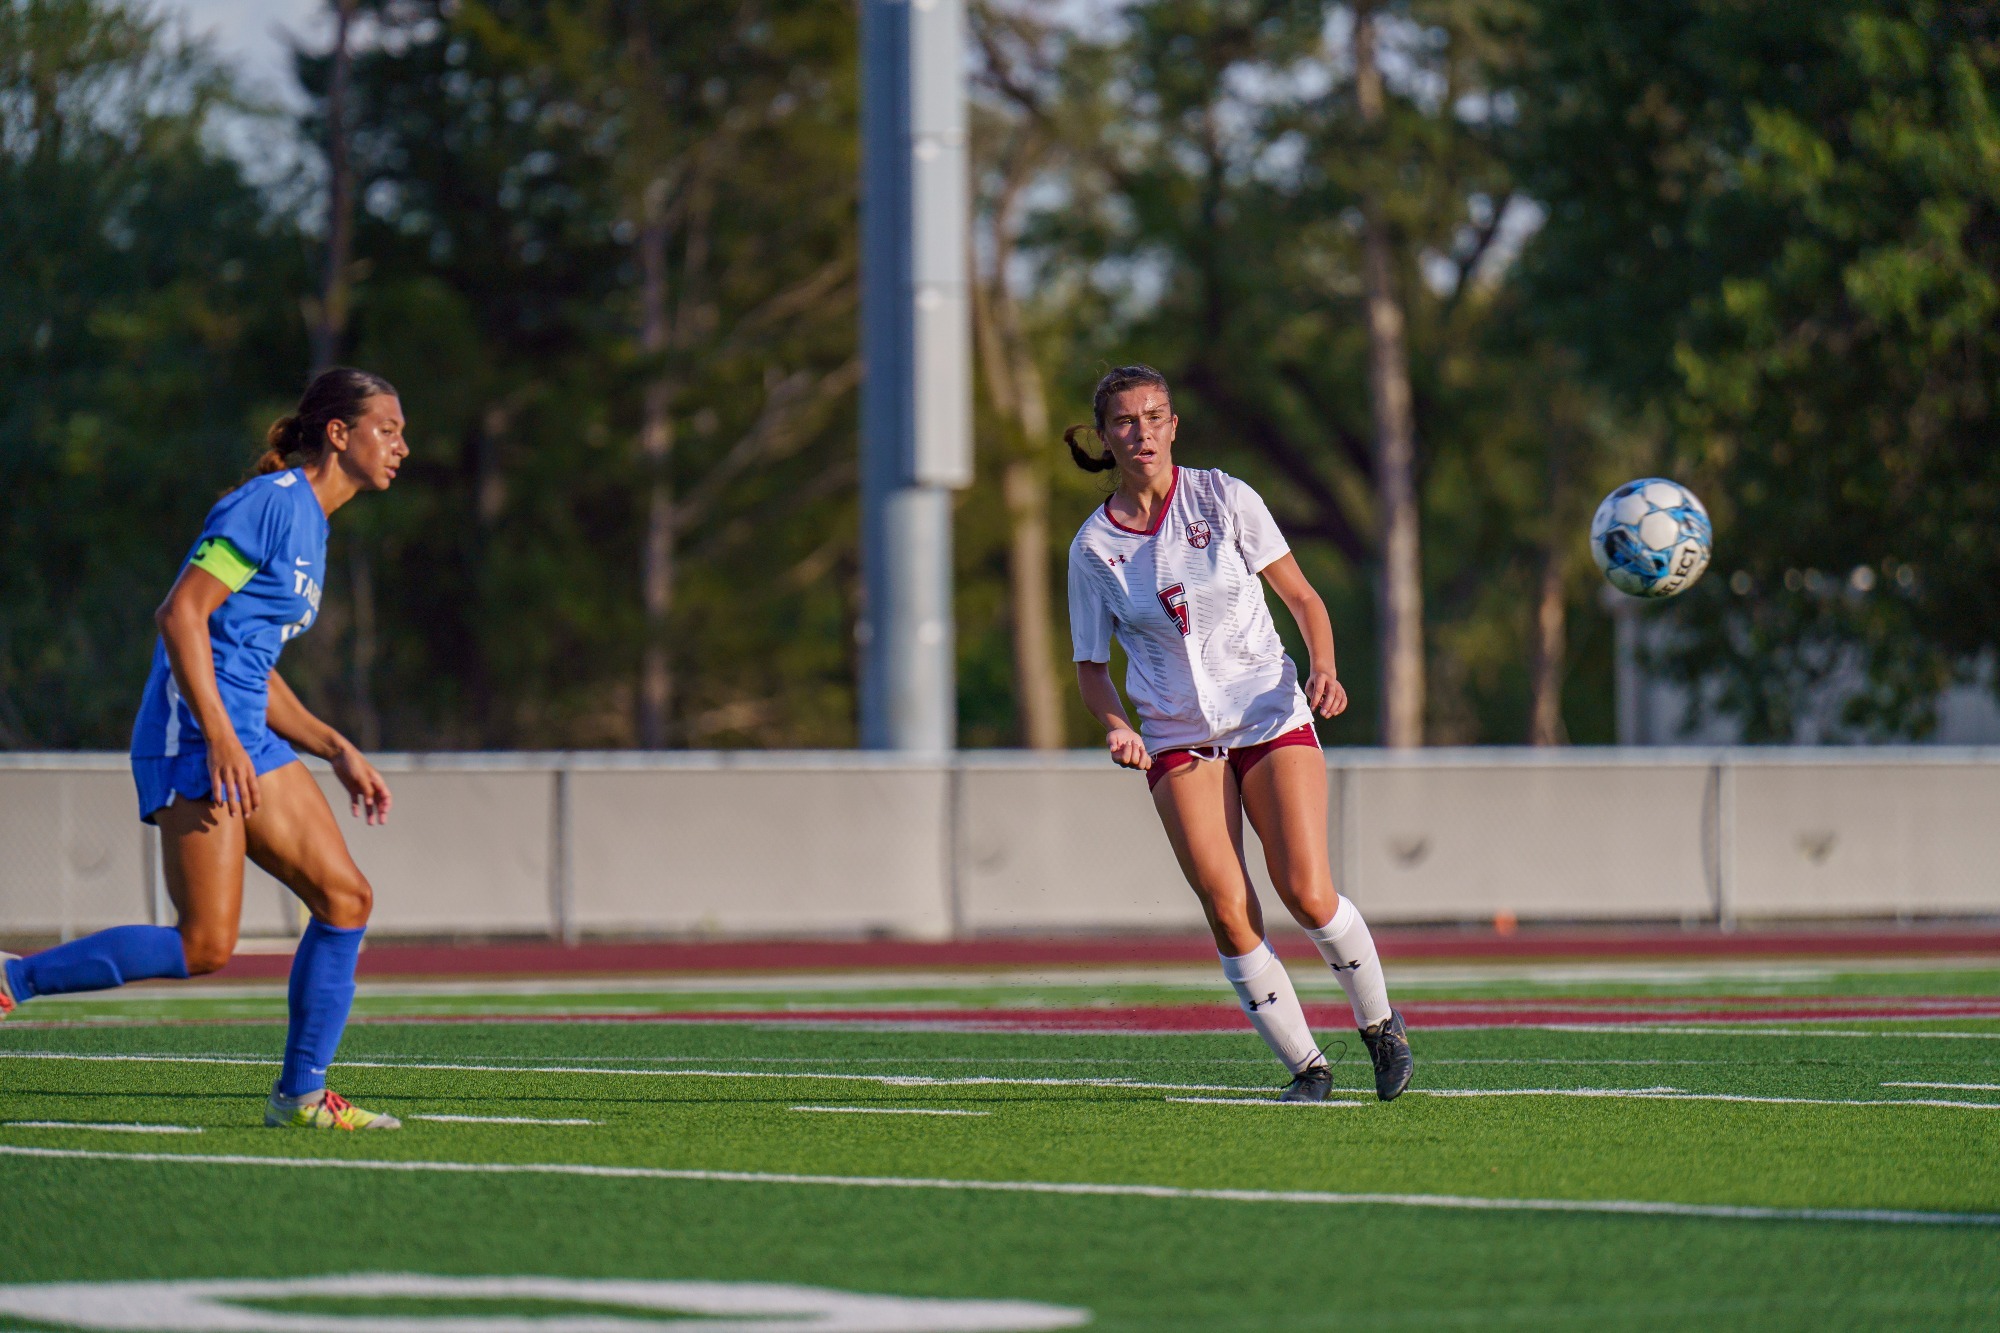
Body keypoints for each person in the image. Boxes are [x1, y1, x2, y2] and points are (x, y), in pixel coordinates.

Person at [0, 368, 410, 1130]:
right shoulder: (270, 503)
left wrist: (334, 746)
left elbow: (247, 657)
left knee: (346, 899)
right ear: (339, 433)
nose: (403, 446)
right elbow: (181, 614)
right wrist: (221, 734)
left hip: (242, 734)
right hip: (193, 734)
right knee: (204, 944)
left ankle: (300, 1097)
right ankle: (12, 979)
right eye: (389, 429)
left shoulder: (314, 525)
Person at [1065, 365, 1414, 1102]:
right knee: (1227, 906)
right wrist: (1116, 725)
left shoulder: (1225, 496)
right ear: (1105, 437)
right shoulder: (1093, 549)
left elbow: (1303, 596)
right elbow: (1091, 667)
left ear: (1174, 424)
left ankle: (1381, 1025)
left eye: (1155, 416)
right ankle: (1307, 1067)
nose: (1143, 432)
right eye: (1126, 421)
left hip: (1268, 714)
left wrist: (1324, 668)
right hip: (1176, 735)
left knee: (1307, 892)